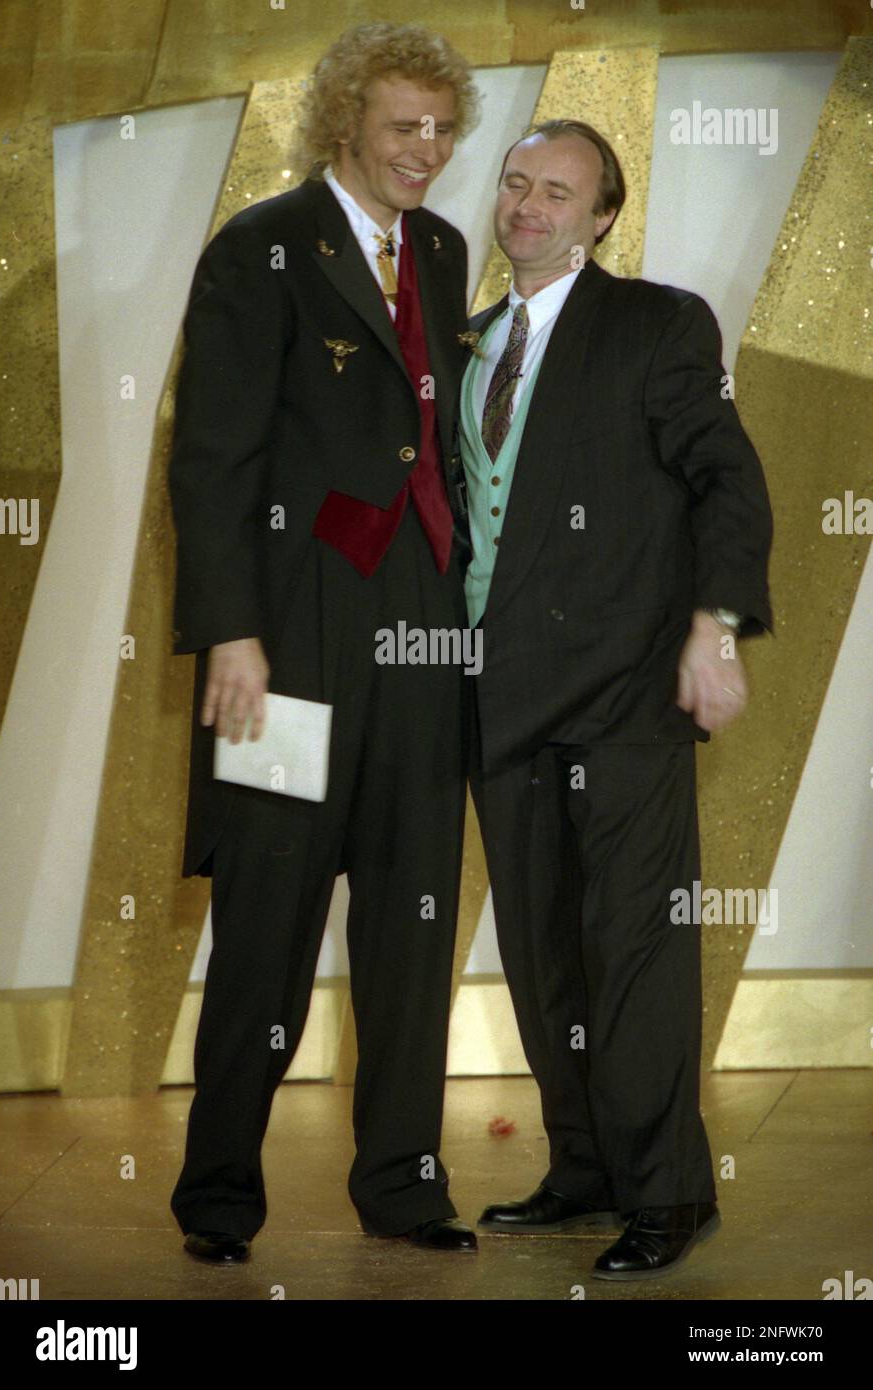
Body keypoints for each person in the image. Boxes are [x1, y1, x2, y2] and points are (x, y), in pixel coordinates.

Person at [167, 22, 480, 1260]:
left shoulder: (448, 251)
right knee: (267, 919)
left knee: (410, 917)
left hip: (424, 628)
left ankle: (404, 1190)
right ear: (344, 119)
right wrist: (228, 635)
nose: (427, 150)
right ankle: (218, 1200)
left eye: (444, 129)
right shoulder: (258, 249)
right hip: (291, 636)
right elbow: (211, 460)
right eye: (405, 125)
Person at [461, 119, 774, 1279]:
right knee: (545, 955)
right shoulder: (471, 339)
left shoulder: (654, 325)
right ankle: (583, 1170)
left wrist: (714, 623)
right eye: (514, 184)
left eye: (558, 192)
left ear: (601, 218)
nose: (527, 205)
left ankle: (668, 1194)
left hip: (625, 699)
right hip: (496, 702)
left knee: (631, 951)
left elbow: (725, 479)